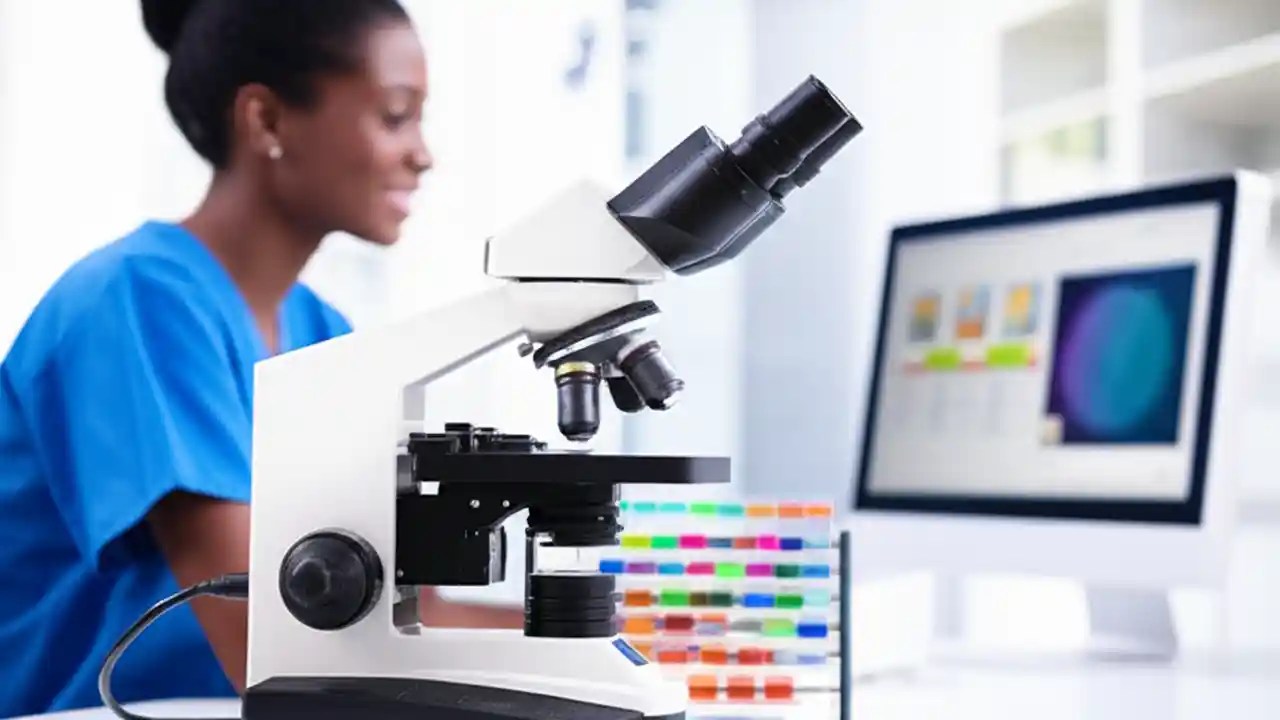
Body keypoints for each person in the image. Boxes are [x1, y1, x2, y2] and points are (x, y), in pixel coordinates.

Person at [0, 1, 522, 715]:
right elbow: (274, 644)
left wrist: (621, 637)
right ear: (267, 121)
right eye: (396, 116)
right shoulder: (139, 300)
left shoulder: (325, 333)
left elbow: (405, 613)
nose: (422, 154)